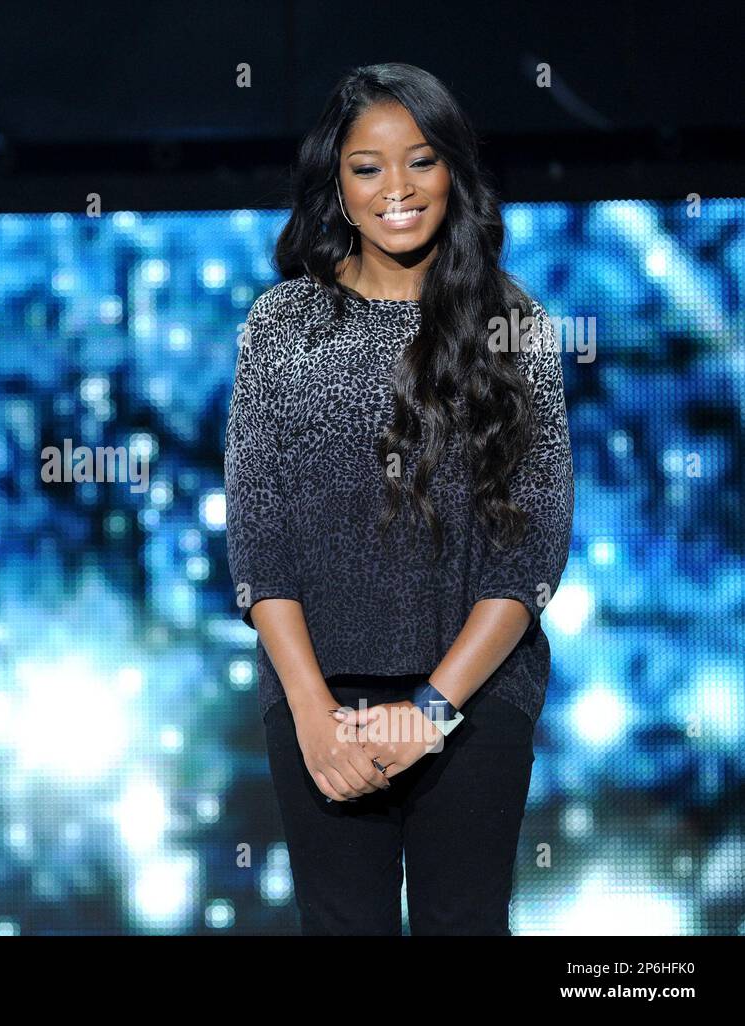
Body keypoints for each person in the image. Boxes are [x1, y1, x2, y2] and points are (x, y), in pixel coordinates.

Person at [224, 63, 574, 935]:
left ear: (453, 169)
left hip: (473, 694)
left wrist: (430, 714)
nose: (398, 190)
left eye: (420, 161)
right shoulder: (283, 324)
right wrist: (312, 713)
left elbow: (527, 553)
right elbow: (259, 534)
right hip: (318, 698)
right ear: (337, 187)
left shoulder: (513, 324)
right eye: (368, 167)